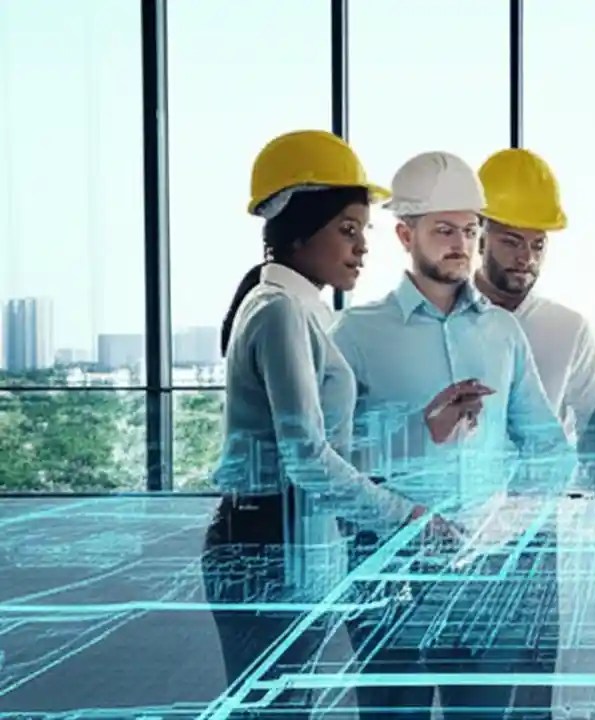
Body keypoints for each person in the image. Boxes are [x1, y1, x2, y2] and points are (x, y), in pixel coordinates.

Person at [201, 130, 479, 717]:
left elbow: (329, 447)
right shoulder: (279, 313)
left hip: (288, 537)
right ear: (300, 228)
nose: (361, 248)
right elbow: (306, 459)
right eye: (347, 230)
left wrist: (420, 430)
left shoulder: (298, 310)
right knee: (274, 709)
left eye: (363, 232)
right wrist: (410, 517)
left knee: (284, 705)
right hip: (267, 540)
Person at [329, 150, 575, 720]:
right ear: (403, 234)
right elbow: (333, 466)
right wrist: (413, 468)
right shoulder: (357, 335)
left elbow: (550, 449)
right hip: (392, 582)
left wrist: (509, 516)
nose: (460, 244)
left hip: (488, 582)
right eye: (443, 230)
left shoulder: (502, 332)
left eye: (469, 230)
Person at [474, 147, 595, 536]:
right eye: (511, 241)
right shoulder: (437, 319)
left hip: (535, 531)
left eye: (537, 244)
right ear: (479, 235)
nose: (526, 257)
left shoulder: (568, 329)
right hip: (449, 523)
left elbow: (591, 423)